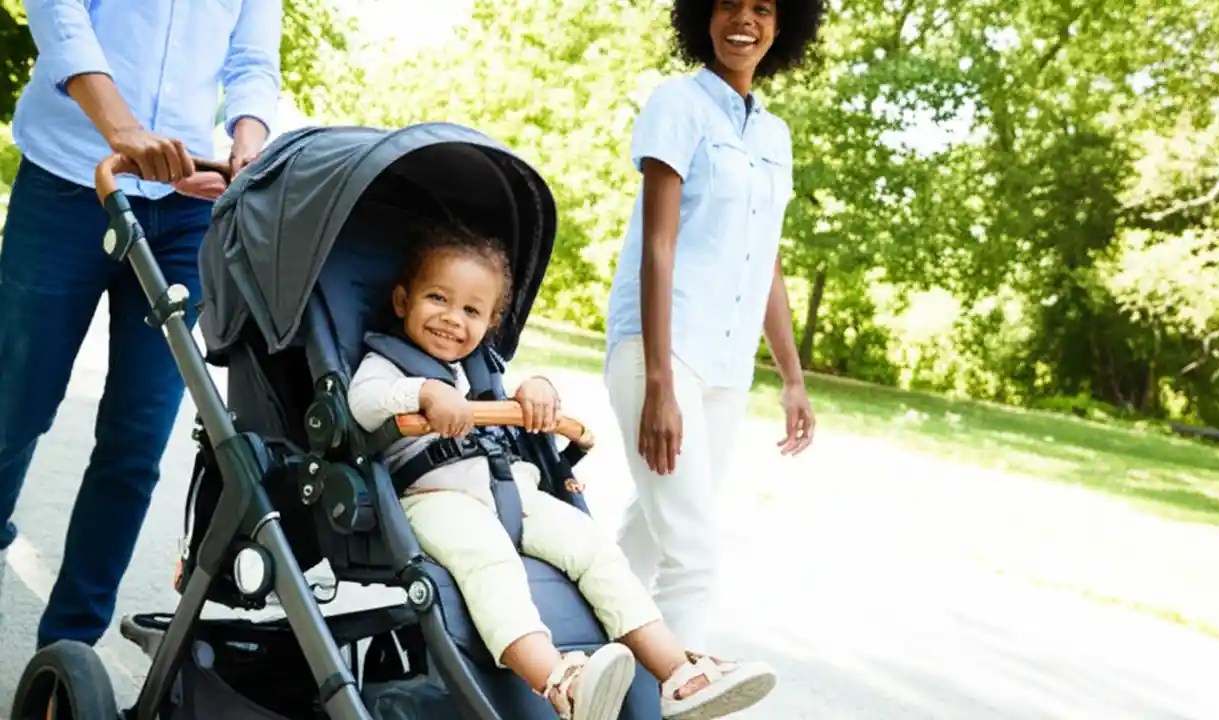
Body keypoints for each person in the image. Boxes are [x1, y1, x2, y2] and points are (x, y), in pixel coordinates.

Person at [348, 223, 777, 720]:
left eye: (471, 310)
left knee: (594, 549)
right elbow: (362, 402)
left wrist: (536, 390)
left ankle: (677, 673)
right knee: (492, 566)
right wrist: (420, 394)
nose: (451, 319)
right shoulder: (386, 364)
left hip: (508, 492)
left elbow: (507, 408)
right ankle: (560, 683)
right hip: (434, 498)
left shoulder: (476, 369)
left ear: (490, 323)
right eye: (437, 299)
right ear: (403, 301)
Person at [0, 0, 281, 649]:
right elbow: (58, 11)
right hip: (71, 175)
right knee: (18, 402)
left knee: (136, 442)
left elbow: (251, 62)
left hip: (187, 208)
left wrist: (246, 144)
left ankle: (66, 650)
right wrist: (120, 128)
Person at [604, 0, 826, 650]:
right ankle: (676, 689)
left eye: (762, 7)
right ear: (704, 14)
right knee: (693, 555)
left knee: (651, 531)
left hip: (727, 368)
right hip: (662, 354)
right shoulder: (677, 105)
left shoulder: (775, 136)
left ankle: (581, 664)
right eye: (730, 2)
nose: (744, 19)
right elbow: (659, 246)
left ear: (782, 26)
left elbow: (766, 261)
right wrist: (659, 380)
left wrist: (792, 378)